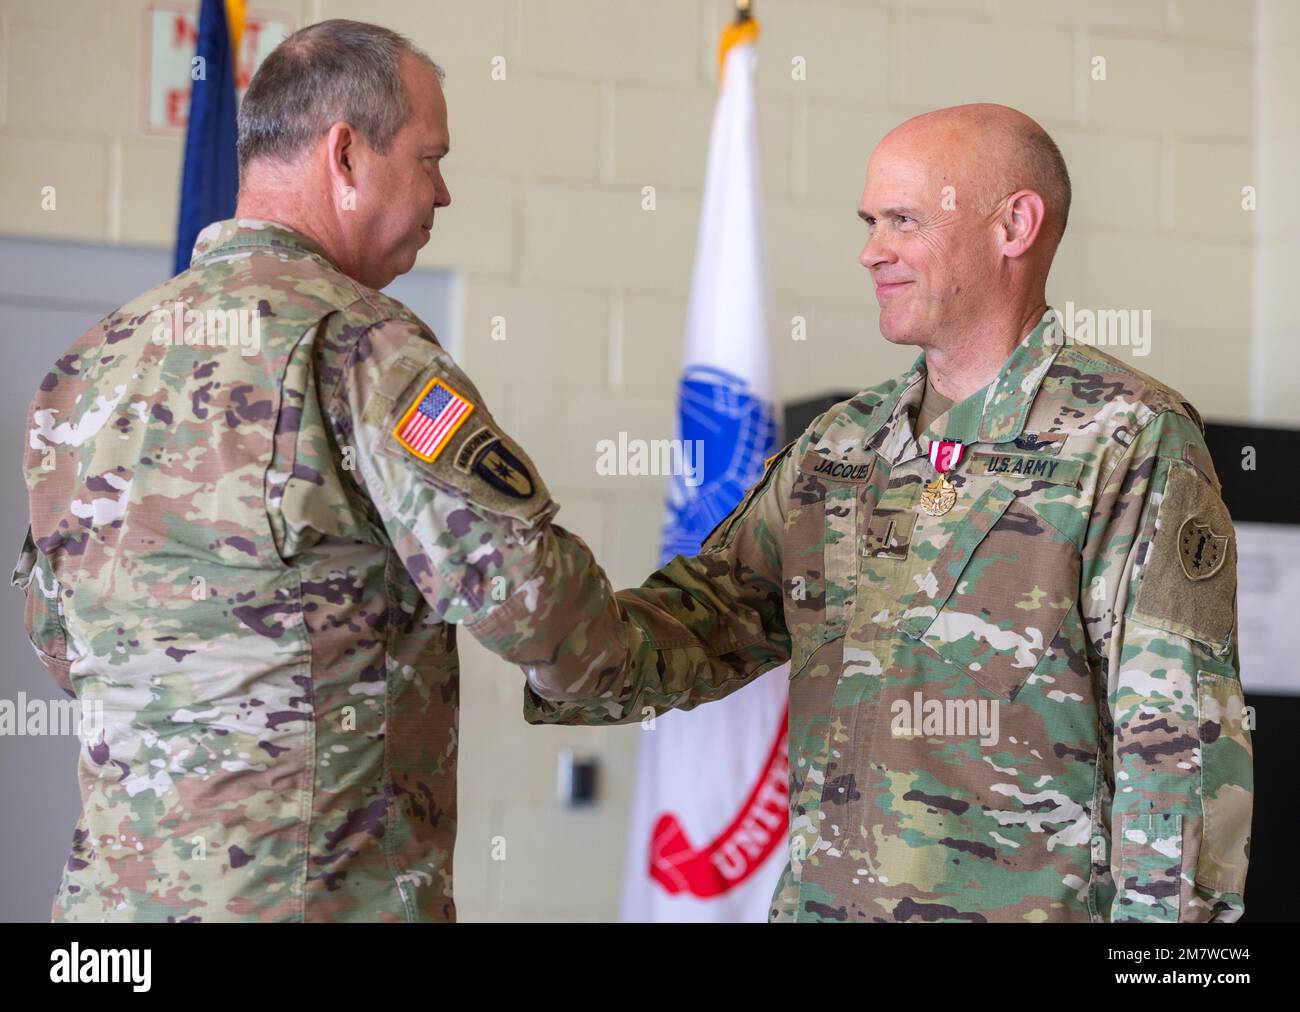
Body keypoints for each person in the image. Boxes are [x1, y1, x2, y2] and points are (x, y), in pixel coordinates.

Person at [521, 104, 1253, 923]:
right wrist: (525, 602)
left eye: (903, 220)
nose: (871, 251)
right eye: (870, 222)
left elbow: (1180, 763)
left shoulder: (1127, 440)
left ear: (1015, 224)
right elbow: (698, 625)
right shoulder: (841, 446)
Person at [12, 18, 607, 923]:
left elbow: (59, 641)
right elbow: (536, 607)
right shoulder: (362, 346)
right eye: (431, 158)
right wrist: (692, 640)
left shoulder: (85, 366)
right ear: (345, 154)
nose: (442, 193)